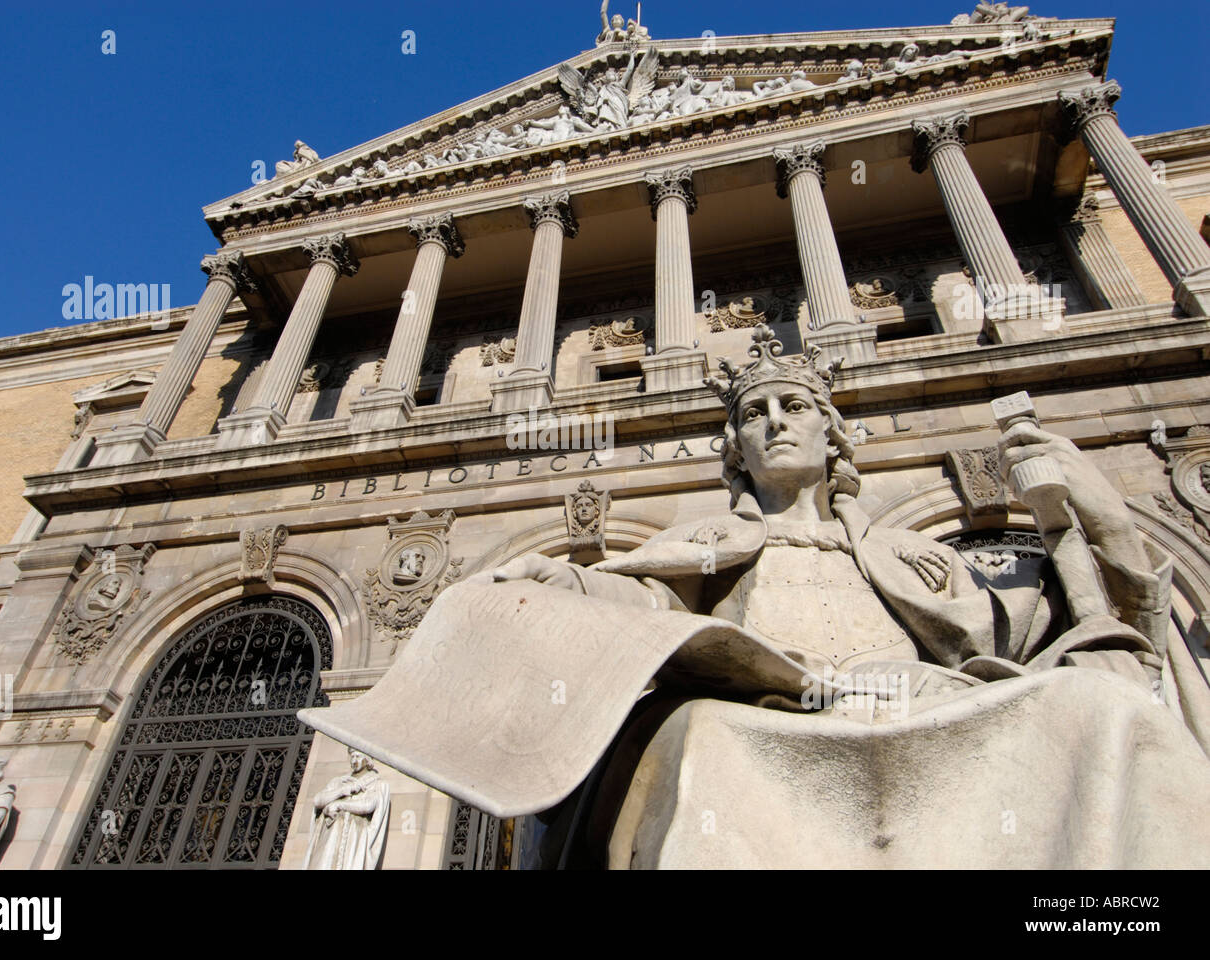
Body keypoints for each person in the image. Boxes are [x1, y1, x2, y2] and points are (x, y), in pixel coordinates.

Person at [302, 324, 1210, 867]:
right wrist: (556, 578)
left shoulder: (907, 554)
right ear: (733, 449)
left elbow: (1078, 636)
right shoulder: (706, 545)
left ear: (833, 432)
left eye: (795, 408)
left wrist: (1100, 518)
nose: (775, 422)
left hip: (928, 711)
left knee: (1097, 708)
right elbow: (639, 609)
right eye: (753, 414)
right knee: (698, 732)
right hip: (776, 713)